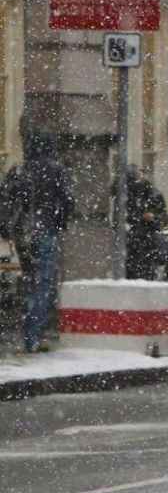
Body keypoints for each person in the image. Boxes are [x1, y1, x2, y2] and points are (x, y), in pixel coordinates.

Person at [4, 134, 76, 352]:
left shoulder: (18, 170)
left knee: (28, 281)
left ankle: (27, 330)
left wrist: (8, 230)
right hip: (45, 231)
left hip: (23, 233)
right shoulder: (56, 170)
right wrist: (59, 223)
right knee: (42, 285)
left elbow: (5, 199)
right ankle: (33, 337)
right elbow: (67, 200)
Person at [123, 164, 168, 281]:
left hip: (147, 245)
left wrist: (153, 218)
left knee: (145, 275)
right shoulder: (126, 195)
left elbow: (163, 219)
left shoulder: (152, 194)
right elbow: (123, 217)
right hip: (134, 245)